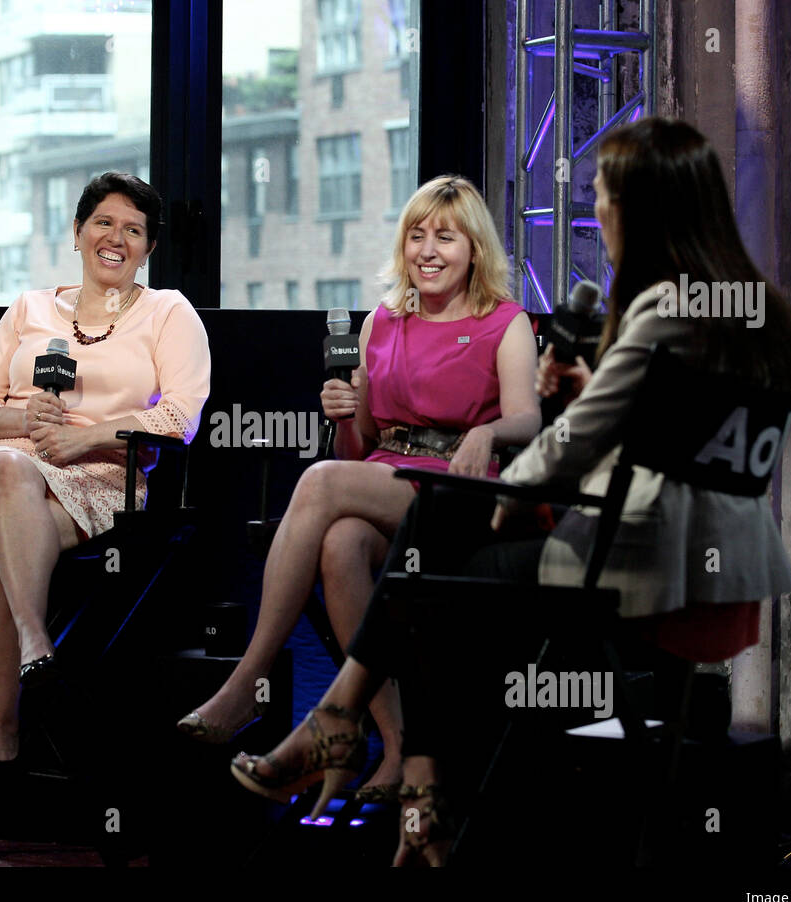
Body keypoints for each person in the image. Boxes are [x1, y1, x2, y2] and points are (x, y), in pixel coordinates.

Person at [231, 117, 791, 865]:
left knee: (432, 567)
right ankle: (408, 778)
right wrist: (592, 387)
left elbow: (566, 452)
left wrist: (506, 497)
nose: (596, 211)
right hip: (729, 581)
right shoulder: (767, 319)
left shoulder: (662, 313)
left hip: (643, 576)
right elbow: (681, 442)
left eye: (603, 195)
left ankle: (374, 745)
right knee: (429, 545)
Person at [179, 175, 541, 806]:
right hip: (384, 478)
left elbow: (530, 419)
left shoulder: (503, 323)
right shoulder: (382, 322)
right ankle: (392, 745)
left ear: (474, 249)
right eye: (416, 236)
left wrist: (489, 430)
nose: (427, 251)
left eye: (445, 238)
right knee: (341, 542)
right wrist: (346, 411)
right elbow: (360, 448)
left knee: (319, 482)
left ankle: (247, 680)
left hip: (461, 495)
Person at [0, 172, 211, 775]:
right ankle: (36, 642)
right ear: (77, 232)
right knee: (14, 466)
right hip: (3, 462)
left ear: (148, 247)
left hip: (100, 479)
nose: (115, 237)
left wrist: (86, 436)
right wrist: (22, 413)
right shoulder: (30, 308)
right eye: (103, 222)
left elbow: (180, 417)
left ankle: (3, 720)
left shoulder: (168, 312)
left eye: (133, 229)